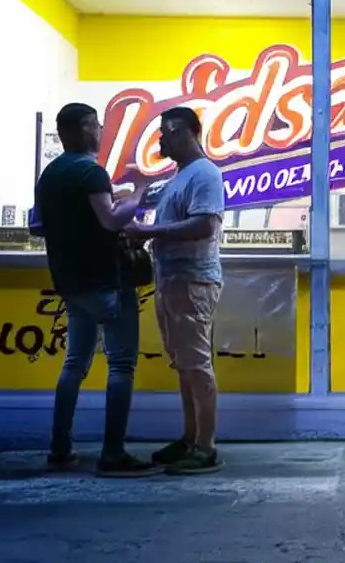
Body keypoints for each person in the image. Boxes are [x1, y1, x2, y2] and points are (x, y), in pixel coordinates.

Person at [36, 103, 159, 478]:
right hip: (106, 281)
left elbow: (63, 221)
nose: (100, 129)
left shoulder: (51, 174)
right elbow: (109, 220)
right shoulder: (91, 171)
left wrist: (112, 197)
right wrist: (138, 194)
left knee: (74, 364)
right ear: (76, 131)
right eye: (94, 124)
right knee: (121, 365)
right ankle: (113, 453)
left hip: (71, 283)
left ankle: (60, 450)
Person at [130, 106, 227, 475]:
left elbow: (203, 226)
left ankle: (206, 446)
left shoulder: (204, 174)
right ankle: (190, 439)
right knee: (185, 365)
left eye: (163, 132)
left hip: (192, 281)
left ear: (179, 130)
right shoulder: (182, 175)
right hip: (174, 281)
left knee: (196, 365)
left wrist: (149, 233)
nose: (159, 139)